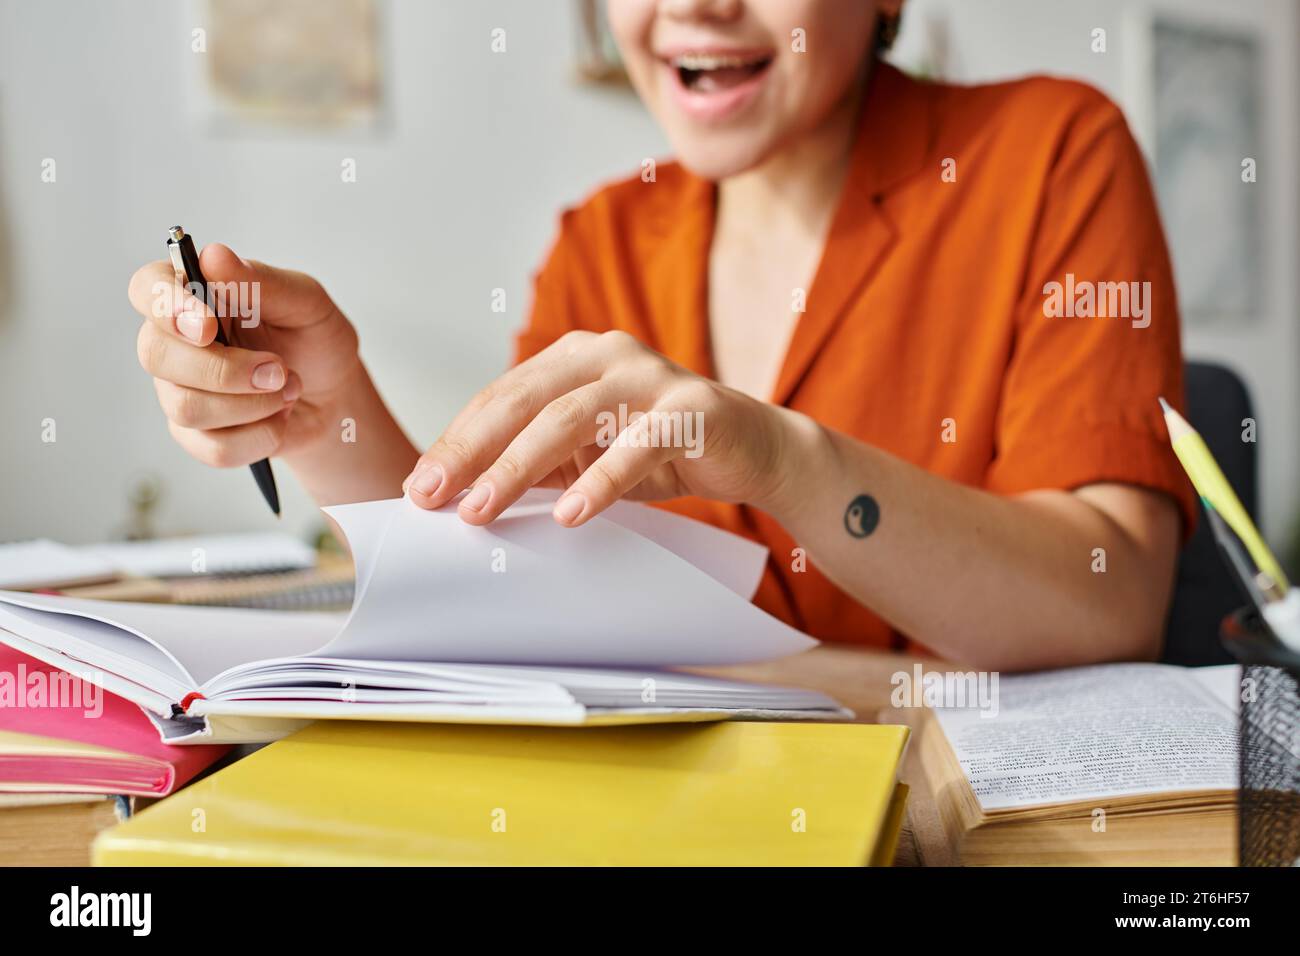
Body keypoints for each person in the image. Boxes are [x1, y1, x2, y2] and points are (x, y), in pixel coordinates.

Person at [127, 0, 1195, 670]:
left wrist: (783, 460)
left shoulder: (1054, 154)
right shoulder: (604, 239)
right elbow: (516, 589)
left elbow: (1111, 595)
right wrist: (321, 413)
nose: (695, 6)